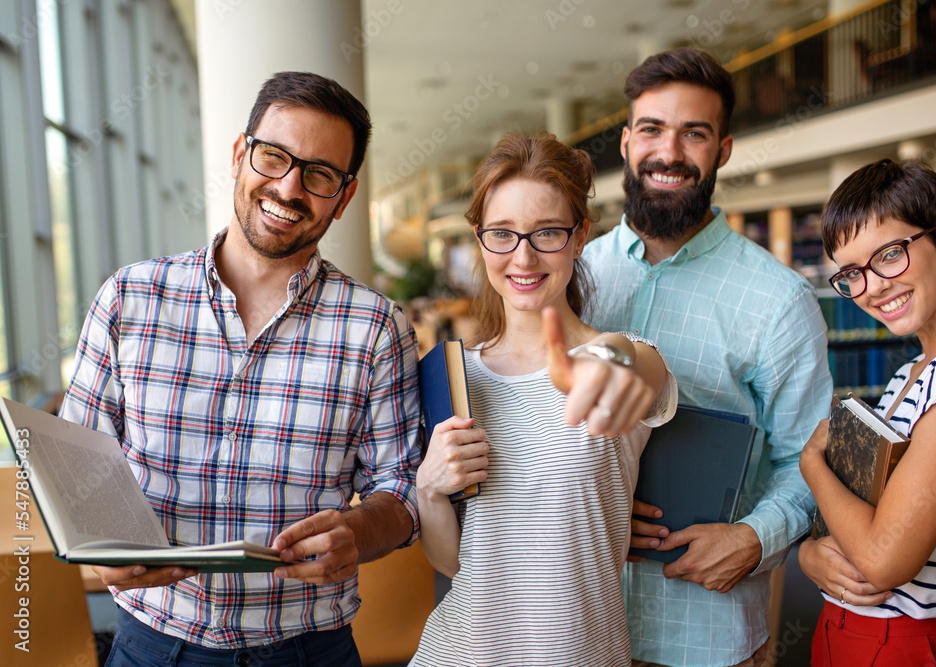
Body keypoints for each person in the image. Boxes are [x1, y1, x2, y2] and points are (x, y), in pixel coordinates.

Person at [59, 72, 422, 666]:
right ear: (239, 154)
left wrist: (358, 533)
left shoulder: (376, 327)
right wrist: (97, 543)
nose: (288, 187)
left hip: (308, 650)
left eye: (319, 174)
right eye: (274, 157)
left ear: (345, 195)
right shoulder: (130, 297)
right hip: (152, 644)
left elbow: (402, 489)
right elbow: (77, 461)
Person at [583, 48, 834, 667]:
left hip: (703, 635)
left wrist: (755, 537)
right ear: (625, 141)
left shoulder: (778, 301)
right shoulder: (575, 275)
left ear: (722, 149)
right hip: (573, 623)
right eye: (651, 129)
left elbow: (809, 458)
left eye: (693, 133)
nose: (668, 153)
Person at [409, 131, 678, 667]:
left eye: (547, 233)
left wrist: (609, 358)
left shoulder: (626, 359)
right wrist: (431, 491)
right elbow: (453, 564)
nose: (523, 257)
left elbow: (633, 366)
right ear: (481, 240)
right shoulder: (450, 376)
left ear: (579, 236)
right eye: (502, 234)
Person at [797, 159, 936, 666]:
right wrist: (810, 555)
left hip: (904, 644)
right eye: (852, 274)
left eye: (889, 255)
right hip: (849, 630)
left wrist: (811, 465)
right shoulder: (917, 369)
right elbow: (860, 519)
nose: (873, 287)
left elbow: (884, 560)